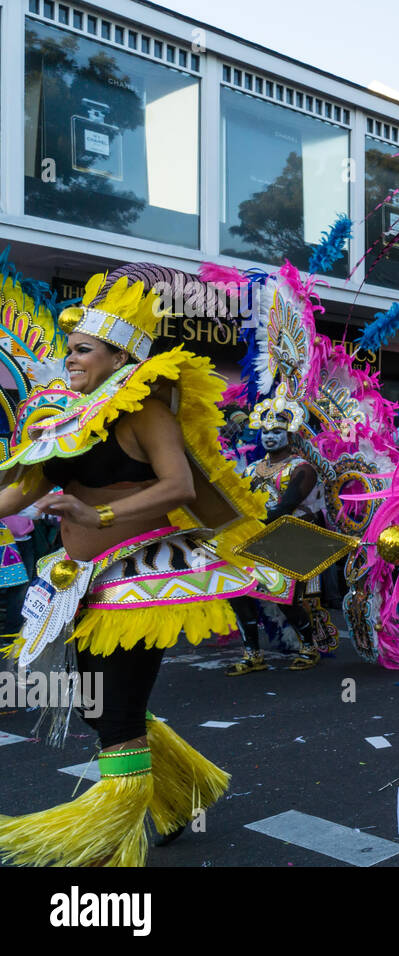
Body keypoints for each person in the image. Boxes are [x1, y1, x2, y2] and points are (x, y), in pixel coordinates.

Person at [0, 267, 268, 865]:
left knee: (112, 709)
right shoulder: (68, 417)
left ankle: (107, 843)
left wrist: (97, 517)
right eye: (68, 349)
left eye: (82, 349)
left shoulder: (146, 410)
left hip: (140, 583)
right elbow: (18, 493)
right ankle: (180, 794)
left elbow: (176, 486)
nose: (69, 359)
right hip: (79, 581)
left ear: (120, 353)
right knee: (100, 702)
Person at [227, 403, 331, 674]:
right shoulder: (251, 470)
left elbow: (284, 507)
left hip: (292, 537)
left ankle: (309, 647)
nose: (269, 436)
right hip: (258, 538)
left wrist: (248, 524)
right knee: (236, 591)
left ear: (290, 435)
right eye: (264, 432)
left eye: (276, 431)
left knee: (280, 593)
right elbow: (241, 503)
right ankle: (253, 654)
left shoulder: (302, 468)